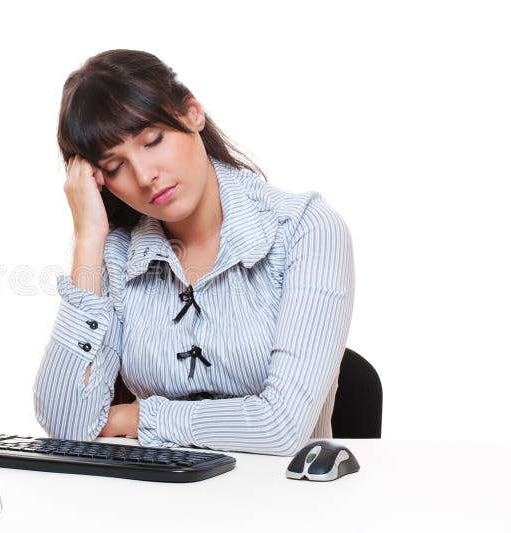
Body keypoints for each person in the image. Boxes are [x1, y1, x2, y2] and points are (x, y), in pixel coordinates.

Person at [33, 49, 355, 456]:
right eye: (115, 167)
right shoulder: (116, 251)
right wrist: (88, 241)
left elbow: (281, 427)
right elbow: (67, 426)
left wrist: (139, 418)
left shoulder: (304, 229)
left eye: (152, 140)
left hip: (278, 501)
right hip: (154, 503)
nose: (145, 176)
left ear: (191, 113)